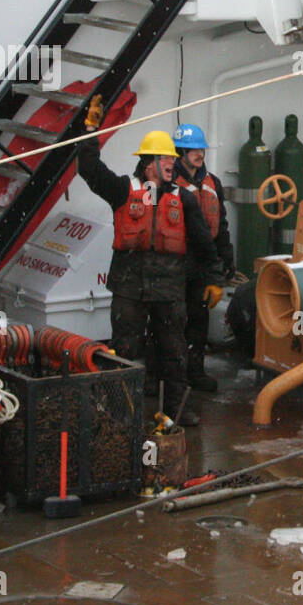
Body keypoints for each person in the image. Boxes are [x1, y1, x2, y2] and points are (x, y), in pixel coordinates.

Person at [77, 97, 222, 426]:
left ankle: (177, 410)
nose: (172, 162)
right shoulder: (120, 190)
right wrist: (90, 130)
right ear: (148, 162)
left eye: (172, 156)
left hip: (170, 289)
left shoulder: (183, 199)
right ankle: (118, 412)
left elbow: (203, 242)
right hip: (129, 287)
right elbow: (88, 168)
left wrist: (215, 278)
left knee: (174, 352)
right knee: (124, 350)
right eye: (165, 157)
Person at [172, 123, 235, 392]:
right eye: (193, 149)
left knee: (198, 321)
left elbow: (220, 225)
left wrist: (226, 260)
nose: (200, 154)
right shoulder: (167, 183)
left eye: (201, 149)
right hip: (175, 262)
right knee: (171, 322)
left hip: (202, 260)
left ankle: (195, 372)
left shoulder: (213, 184)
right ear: (181, 152)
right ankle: (168, 377)